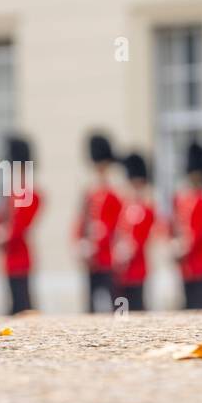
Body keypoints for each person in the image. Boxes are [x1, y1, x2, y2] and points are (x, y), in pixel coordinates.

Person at [0, 135, 42, 315]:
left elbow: (19, 226)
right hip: (8, 259)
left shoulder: (30, 195)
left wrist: (2, 233)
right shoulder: (11, 194)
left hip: (21, 258)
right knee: (12, 306)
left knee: (22, 306)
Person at [74, 133, 124, 312]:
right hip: (92, 259)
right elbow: (81, 222)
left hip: (108, 258)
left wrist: (97, 242)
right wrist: (80, 243)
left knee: (117, 304)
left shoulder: (114, 195)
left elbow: (116, 226)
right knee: (91, 306)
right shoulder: (89, 193)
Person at [173, 142, 202, 310]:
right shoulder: (182, 199)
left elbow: (201, 231)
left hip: (201, 264)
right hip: (186, 266)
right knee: (189, 307)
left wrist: (185, 246)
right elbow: (176, 225)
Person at [114, 152, 156, 311]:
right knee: (121, 313)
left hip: (137, 268)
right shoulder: (124, 207)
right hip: (120, 270)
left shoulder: (147, 209)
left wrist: (129, 250)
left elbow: (142, 236)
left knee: (138, 310)